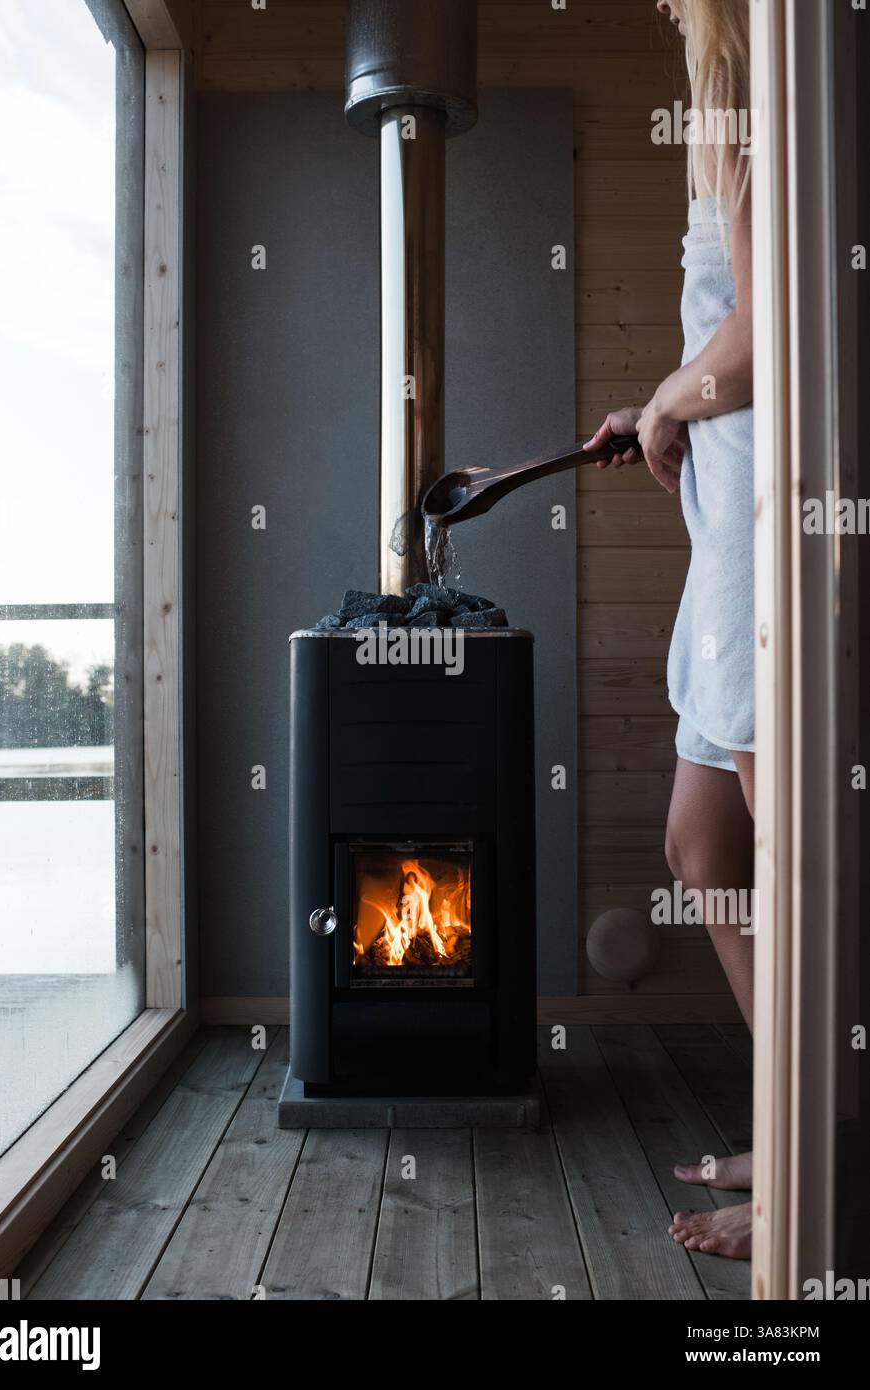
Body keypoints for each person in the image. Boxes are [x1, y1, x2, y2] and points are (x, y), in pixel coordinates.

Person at [584, 0, 755, 1261]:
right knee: (702, 848)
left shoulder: (761, 91)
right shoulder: (720, 106)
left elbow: (767, 341)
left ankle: (800, 1169)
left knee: (769, 859)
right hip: (721, 524)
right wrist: (662, 412)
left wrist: (669, 399)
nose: (659, 4)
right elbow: (721, 347)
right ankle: (807, 1107)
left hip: (764, 538)